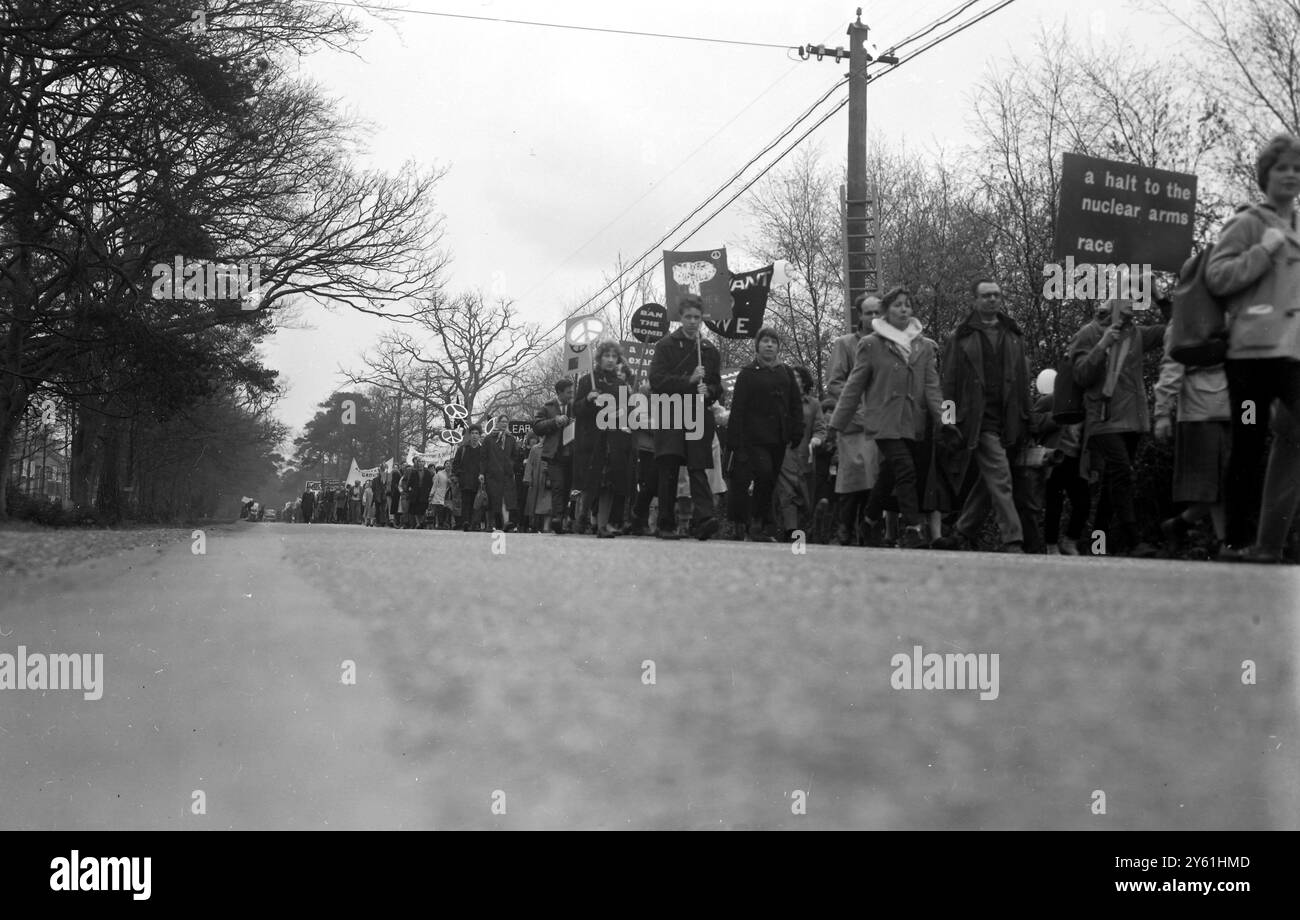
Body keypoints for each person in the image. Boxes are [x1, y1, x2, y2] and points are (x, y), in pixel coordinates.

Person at [1206, 133, 1300, 563]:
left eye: (1297, 169)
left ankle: (1269, 541)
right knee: (1248, 441)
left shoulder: (1296, 226)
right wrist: (1262, 252)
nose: (1291, 175)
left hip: (1290, 358)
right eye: (1282, 168)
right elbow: (1218, 277)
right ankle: (1237, 543)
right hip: (1249, 361)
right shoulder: (1249, 223)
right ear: (1266, 175)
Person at [827, 286, 946, 548]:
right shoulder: (870, 344)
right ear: (885, 312)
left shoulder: (923, 346)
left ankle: (868, 521)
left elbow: (933, 388)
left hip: (912, 422)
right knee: (905, 469)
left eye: (907, 304)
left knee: (888, 475)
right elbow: (852, 387)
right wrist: (835, 424)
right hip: (882, 422)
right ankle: (913, 528)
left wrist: (946, 420)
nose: (903, 309)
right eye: (897, 305)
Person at [934, 278, 1033, 553]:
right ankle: (1013, 539)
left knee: (988, 480)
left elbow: (1023, 381)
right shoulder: (961, 337)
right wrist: (948, 421)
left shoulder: (1014, 335)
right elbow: (949, 383)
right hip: (978, 421)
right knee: (1000, 476)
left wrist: (1028, 418)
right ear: (974, 301)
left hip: (1011, 419)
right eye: (986, 295)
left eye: (996, 295)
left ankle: (962, 532)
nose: (992, 299)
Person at [1068, 296, 1166, 557]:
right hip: (1103, 418)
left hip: (1133, 419)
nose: (1134, 306)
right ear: (1110, 306)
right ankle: (1135, 541)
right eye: (1128, 303)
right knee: (1121, 472)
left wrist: (1161, 297)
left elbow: (1176, 329)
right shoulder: (1089, 333)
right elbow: (1080, 376)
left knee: (1115, 481)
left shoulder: (1136, 334)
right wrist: (1103, 345)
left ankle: (1097, 545)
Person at [649, 293, 723, 541]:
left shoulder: (709, 350)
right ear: (680, 318)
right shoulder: (665, 345)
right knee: (669, 467)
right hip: (670, 410)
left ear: (702, 319)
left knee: (697, 466)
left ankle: (704, 519)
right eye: (688, 317)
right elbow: (656, 381)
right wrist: (688, 380)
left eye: (697, 317)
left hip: (698, 412)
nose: (693, 321)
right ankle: (666, 523)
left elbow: (716, 386)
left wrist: (709, 390)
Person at [1153, 323, 1231, 554]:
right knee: (1211, 487)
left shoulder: (1231, 312)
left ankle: (1184, 527)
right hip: (1200, 411)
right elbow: (1171, 369)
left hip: (1234, 408)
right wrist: (1163, 414)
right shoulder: (1183, 322)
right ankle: (1223, 541)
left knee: (1226, 482)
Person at [726, 327, 804, 541]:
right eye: (765, 341)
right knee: (764, 473)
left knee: (770, 481)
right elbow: (738, 408)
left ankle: (761, 522)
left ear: (778, 346)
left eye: (773, 341)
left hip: (779, 437)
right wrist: (733, 440)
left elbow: (795, 403)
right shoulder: (747, 373)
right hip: (754, 437)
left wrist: (798, 429)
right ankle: (757, 522)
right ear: (757, 345)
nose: (769, 345)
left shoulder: (786, 372)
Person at [826, 294, 883, 544]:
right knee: (854, 478)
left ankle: (870, 532)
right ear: (859, 315)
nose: (873, 317)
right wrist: (858, 408)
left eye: (877, 312)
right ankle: (845, 530)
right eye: (868, 313)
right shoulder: (845, 344)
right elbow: (835, 382)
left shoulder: (889, 343)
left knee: (877, 479)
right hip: (854, 423)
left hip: (883, 422)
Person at [573, 342, 637, 538]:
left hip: (614, 440)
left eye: (614, 356)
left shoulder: (621, 385)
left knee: (609, 482)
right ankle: (582, 515)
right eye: (606, 356)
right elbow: (576, 410)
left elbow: (628, 415)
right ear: (599, 358)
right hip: (592, 440)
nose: (610, 360)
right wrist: (588, 400)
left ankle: (603, 524)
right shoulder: (586, 381)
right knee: (591, 483)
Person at [775, 364, 826, 540]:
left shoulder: (813, 404)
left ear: (804, 381)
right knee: (787, 494)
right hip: (784, 455)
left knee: (805, 498)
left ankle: (807, 530)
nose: (792, 380)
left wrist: (817, 439)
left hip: (806, 456)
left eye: (796, 376)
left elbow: (821, 428)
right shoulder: (781, 402)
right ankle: (792, 533)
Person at [532, 379, 576, 534]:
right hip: (554, 455)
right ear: (559, 393)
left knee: (567, 488)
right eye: (569, 392)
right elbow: (537, 427)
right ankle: (557, 518)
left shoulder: (575, 406)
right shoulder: (547, 407)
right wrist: (555, 422)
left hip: (572, 453)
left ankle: (562, 518)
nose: (572, 394)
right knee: (558, 485)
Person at [484, 415, 520, 532]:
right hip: (493, 475)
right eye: (502, 421)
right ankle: (495, 524)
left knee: (507, 500)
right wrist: (483, 473)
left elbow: (515, 456)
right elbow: (484, 457)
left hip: (507, 475)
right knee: (495, 500)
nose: (504, 424)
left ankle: (506, 523)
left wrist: (511, 465)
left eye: (506, 422)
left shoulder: (511, 439)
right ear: (497, 423)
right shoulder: (489, 439)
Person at [452, 425, 487, 531]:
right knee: (466, 502)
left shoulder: (483, 450)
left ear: (480, 436)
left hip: (477, 482)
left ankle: (474, 523)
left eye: (477, 433)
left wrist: (482, 474)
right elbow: (456, 464)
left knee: (476, 504)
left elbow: (485, 465)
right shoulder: (462, 449)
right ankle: (466, 522)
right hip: (465, 481)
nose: (475, 436)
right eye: (472, 433)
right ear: (469, 435)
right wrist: (459, 475)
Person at [522, 436, 550, 532]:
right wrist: (528, 478)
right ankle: (533, 524)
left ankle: (545, 527)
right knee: (533, 502)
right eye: (542, 437)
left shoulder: (551, 448)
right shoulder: (535, 449)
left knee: (546, 502)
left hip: (547, 480)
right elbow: (530, 464)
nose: (544, 439)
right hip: (535, 480)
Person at [430, 464, 451, 529]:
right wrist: (431, 494)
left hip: (449, 494)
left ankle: (447, 523)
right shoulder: (439, 474)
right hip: (439, 494)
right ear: (444, 465)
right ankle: (440, 524)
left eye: (449, 464)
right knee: (440, 510)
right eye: (447, 464)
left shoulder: (453, 474)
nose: (448, 465)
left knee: (449, 510)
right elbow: (435, 485)